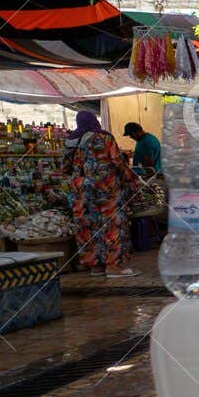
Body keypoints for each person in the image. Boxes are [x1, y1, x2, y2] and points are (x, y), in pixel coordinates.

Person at [64, 110, 140, 277]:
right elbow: (118, 162)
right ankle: (113, 267)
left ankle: (96, 266)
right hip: (105, 189)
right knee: (112, 225)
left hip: (81, 191)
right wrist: (132, 180)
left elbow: (64, 168)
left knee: (88, 227)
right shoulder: (103, 137)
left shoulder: (71, 140)